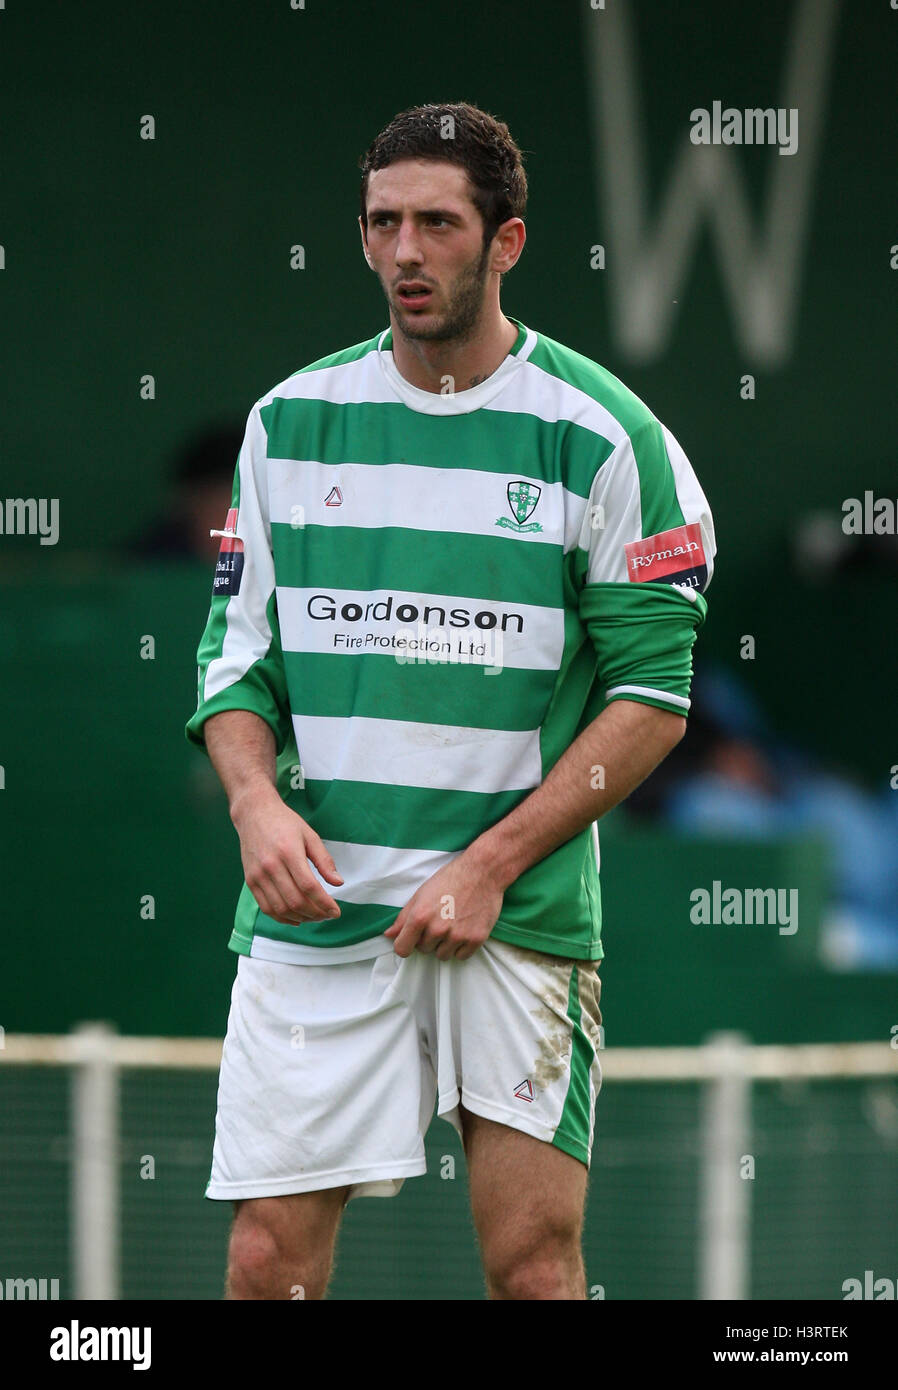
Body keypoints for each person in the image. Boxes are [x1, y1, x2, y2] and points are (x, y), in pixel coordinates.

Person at [185, 101, 716, 1301]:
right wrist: (254, 805)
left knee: (531, 1269)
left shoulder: (608, 436)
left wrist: (486, 866)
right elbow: (234, 663)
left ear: (507, 240)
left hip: (513, 915)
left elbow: (651, 696)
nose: (406, 252)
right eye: (383, 224)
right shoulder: (287, 425)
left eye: (436, 222)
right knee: (265, 1262)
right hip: (318, 918)